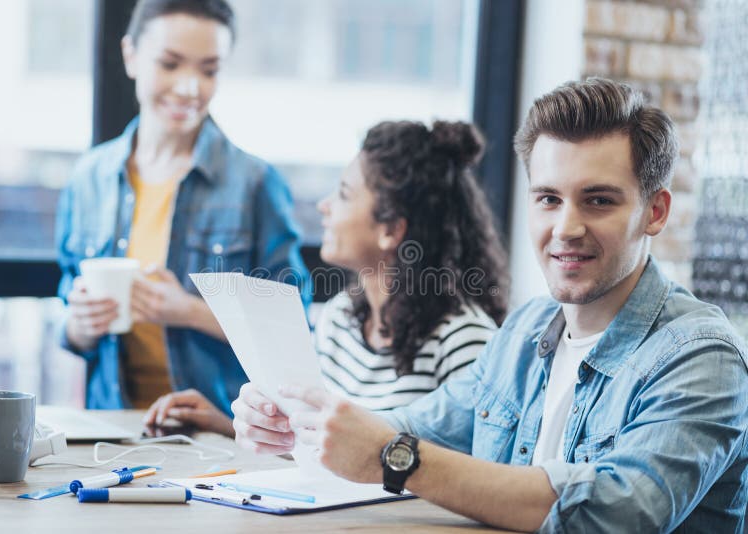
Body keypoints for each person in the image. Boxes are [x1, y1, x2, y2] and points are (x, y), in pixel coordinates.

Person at [231, 78, 748, 532]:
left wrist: (395, 459)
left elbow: (616, 513)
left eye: (598, 200)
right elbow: (413, 425)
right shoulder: (524, 333)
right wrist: (300, 425)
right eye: (548, 198)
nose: (566, 228)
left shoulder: (702, 359)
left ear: (654, 211)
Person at [143, 120, 509, 427]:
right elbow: (323, 452)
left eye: (345, 195)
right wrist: (219, 423)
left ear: (391, 230)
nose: (324, 206)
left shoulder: (465, 342)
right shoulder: (340, 319)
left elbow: (461, 478)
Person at [55, 0, 310, 433]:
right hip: (112, 432)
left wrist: (188, 311)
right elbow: (70, 316)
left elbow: (293, 330)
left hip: (215, 438)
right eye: (170, 64)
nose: (190, 88)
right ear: (130, 55)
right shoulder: (89, 179)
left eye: (209, 70)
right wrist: (79, 324)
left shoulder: (254, 184)